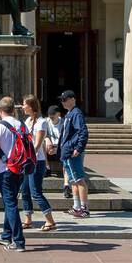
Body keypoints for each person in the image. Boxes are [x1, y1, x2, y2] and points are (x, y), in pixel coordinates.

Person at [0, 95, 26, 252]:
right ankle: (6, 234)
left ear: (0, 110)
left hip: (6, 170)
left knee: (10, 204)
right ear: (13, 110)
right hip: (20, 169)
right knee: (11, 202)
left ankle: (18, 241)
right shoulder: (22, 125)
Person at [20, 95, 56, 232]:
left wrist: (26, 156)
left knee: (36, 192)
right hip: (27, 161)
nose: (22, 107)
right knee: (25, 191)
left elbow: (37, 145)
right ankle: (28, 219)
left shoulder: (41, 122)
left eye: (24, 104)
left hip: (36, 161)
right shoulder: (27, 120)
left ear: (31, 106)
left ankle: (50, 221)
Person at [58, 89, 89, 218]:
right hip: (67, 152)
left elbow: (83, 132)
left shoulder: (76, 113)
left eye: (64, 100)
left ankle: (84, 208)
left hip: (72, 152)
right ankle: (77, 206)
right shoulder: (70, 114)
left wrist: (78, 148)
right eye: (62, 100)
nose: (63, 102)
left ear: (72, 99)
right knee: (73, 180)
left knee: (79, 179)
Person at [43, 104, 70, 198]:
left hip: (60, 148)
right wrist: (46, 139)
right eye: (50, 114)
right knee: (42, 143)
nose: (51, 116)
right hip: (49, 148)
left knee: (66, 153)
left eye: (53, 114)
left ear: (58, 114)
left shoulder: (64, 122)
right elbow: (41, 135)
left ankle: (66, 186)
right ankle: (47, 168)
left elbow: (66, 139)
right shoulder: (46, 122)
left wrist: (57, 149)